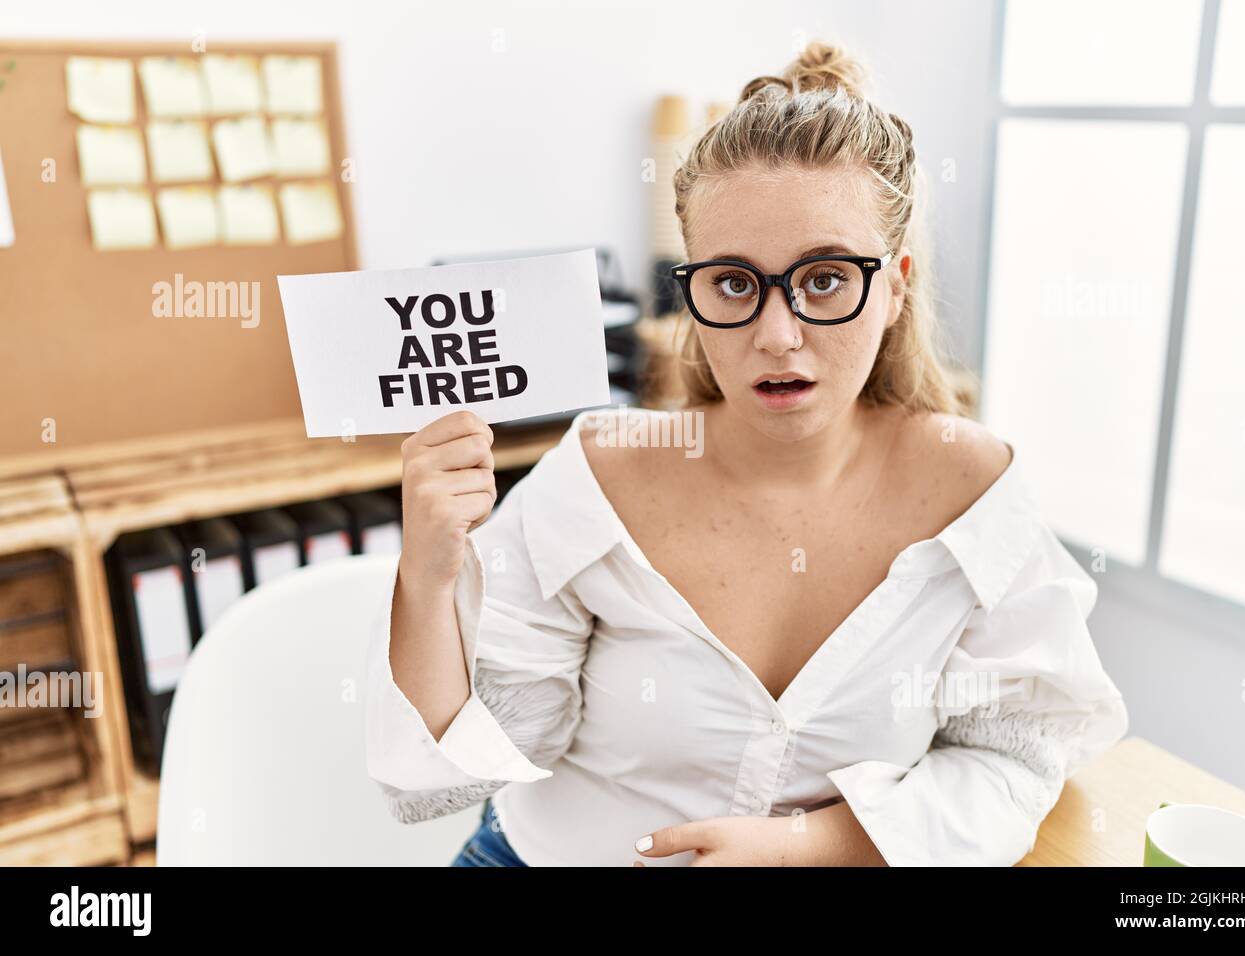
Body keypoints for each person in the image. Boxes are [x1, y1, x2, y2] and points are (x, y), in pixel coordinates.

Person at [364, 41, 1128, 867]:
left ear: (896, 285)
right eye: (733, 283)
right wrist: (429, 575)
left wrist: (806, 846)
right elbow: (441, 782)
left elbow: (1015, 757)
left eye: (827, 278)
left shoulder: (977, 493)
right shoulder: (597, 479)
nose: (777, 335)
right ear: (691, 286)